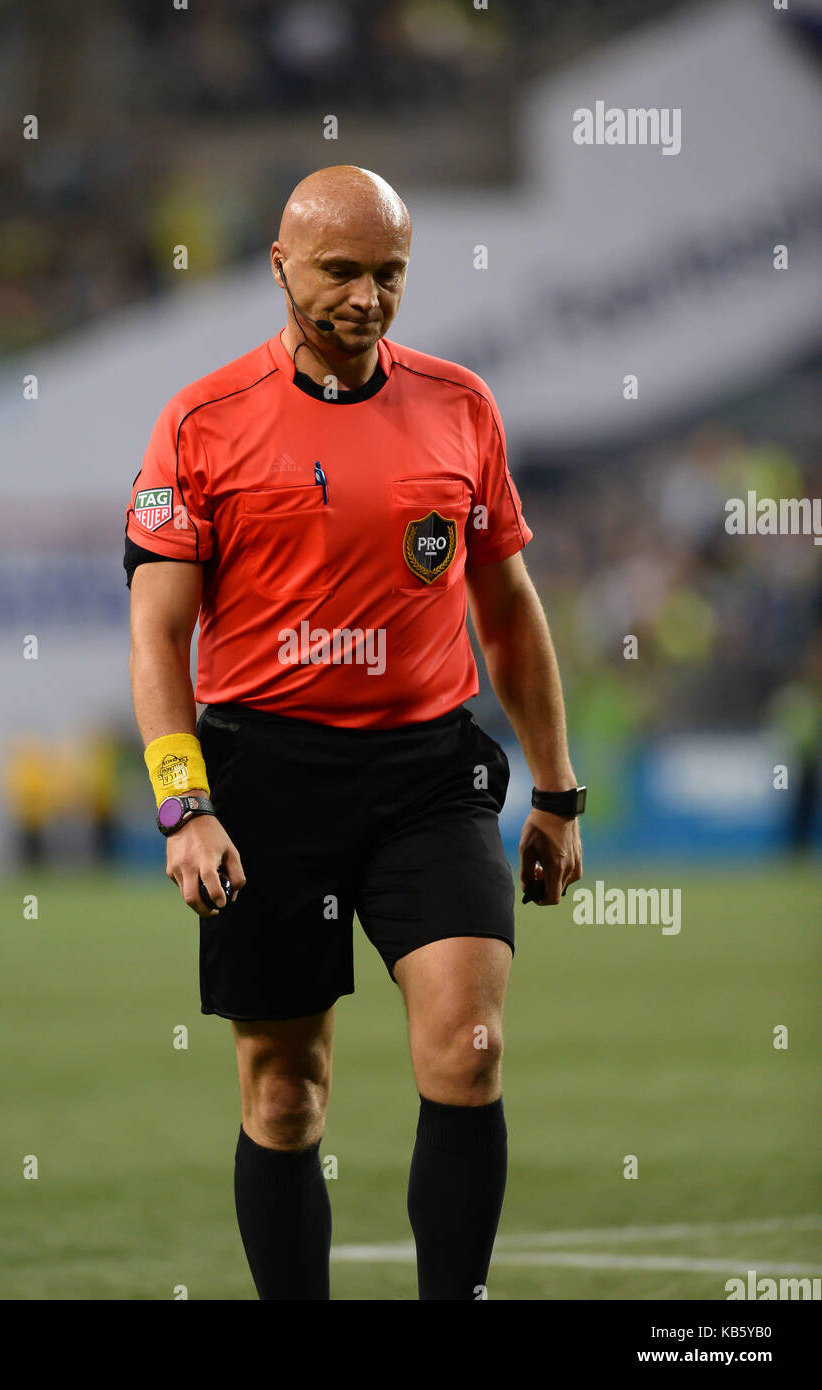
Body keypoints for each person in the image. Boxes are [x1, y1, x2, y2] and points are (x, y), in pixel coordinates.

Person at [124, 165, 584, 1300]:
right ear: (280, 266)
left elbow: (508, 613)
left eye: (389, 274)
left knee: (467, 1051)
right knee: (285, 1096)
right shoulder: (200, 421)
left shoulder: (459, 406)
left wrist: (556, 789)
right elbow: (155, 641)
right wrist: (185, 805)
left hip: (428, 771)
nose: (366, 297)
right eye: (340, 271)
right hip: (262, 776)